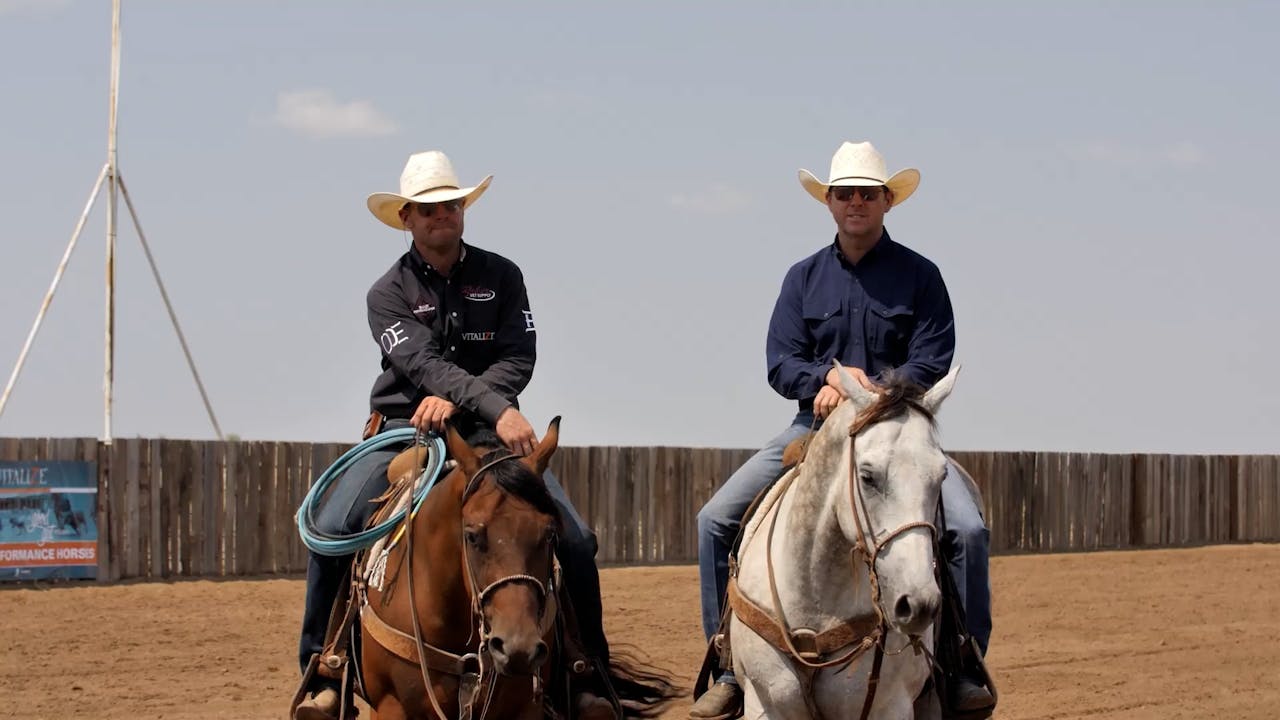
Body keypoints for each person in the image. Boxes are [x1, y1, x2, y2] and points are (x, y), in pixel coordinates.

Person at [294, 150, 609, 720]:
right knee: (333, 528)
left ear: (464, 210)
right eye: (428, 208)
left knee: (577, 540)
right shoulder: (385, 292)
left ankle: (587, 673)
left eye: (451, 204)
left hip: (490, 432)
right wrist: (483, 402)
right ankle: (325, 666)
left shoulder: (504, 276)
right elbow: (421, 364)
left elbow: (520, 354)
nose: (442, 215)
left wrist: (474, 403)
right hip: (403, 428)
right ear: (407, 219)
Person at [689, 141, 995, 719]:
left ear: (887, 202)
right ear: (828, 203)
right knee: (714, 521)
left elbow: (933, 356)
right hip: (814, 426)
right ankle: (728, 665)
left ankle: (962, 660)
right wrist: (823, 377)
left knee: (969, 530)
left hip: (899, 432)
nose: (856, 202)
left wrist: (874, 389)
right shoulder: (802, 279)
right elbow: (781, 361)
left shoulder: (921, 277)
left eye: (868, 193)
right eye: (845, 193)